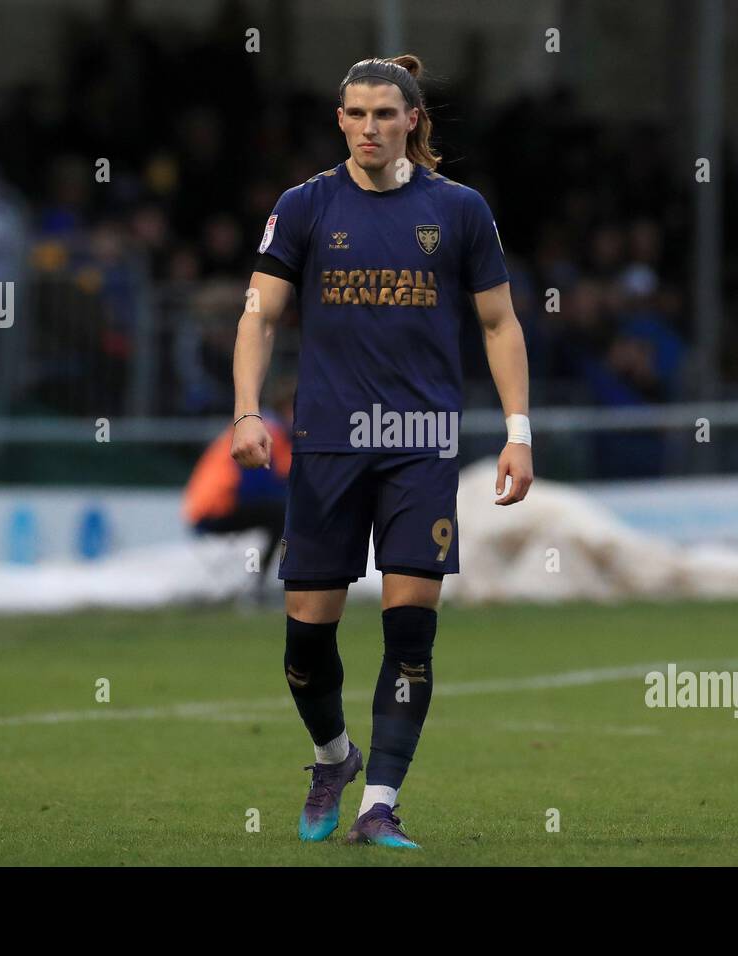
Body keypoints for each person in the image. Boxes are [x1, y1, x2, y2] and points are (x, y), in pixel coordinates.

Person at [230, 55, 533, 849]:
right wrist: (247, 411)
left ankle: (380, 806)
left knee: (410, 634)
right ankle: (334, 759)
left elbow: (500, 325)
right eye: (356, 114)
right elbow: (259, 317)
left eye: (384, 114)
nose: (369, 127)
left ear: (412, 120)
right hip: (327, 445)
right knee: (305, 640)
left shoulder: (460, 212)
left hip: (419, 448)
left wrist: (517, 433)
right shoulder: (303, 208)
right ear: (341, 122)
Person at [182, 388, 294, 599]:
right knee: (284, 513)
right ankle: (261, 586)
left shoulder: (265, 429)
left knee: (284, 512)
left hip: (208, 506)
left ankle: (267, 583)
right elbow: (257, 484)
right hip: (215, 509)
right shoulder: (266, 432)